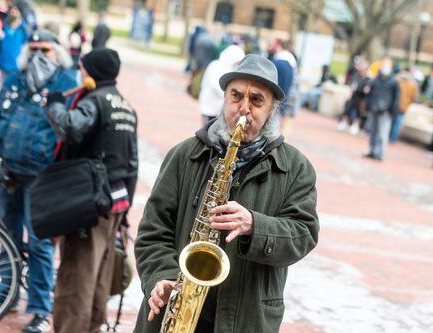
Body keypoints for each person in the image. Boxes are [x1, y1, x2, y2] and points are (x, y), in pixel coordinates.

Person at [134, 54, 319, 332]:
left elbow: (304, 234)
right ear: (224, 98)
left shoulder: (296, 168)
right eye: (236, 96)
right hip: (178, 310)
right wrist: (161, 276)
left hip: (246, 318)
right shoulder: (184, 155)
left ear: (272, 108)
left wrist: (255, 226)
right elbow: (153, 231)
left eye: (257, 100)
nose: (244, 108)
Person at [0, 29, 76, 333]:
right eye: (33, 50)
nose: (38, 56)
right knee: (8, 238)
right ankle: (6, 294)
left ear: (56, 51)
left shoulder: (66, 84)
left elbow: (71, 130)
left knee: (41, 243)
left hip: (42, 177)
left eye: (44, 50)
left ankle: (40, 310)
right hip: (8, 171)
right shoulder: (15, 80)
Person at [46, 47, 138, 333]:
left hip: (89, 203)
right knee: (98, 273)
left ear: (93, 72)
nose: (81, 72)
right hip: (114, 205)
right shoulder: (125, 106)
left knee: (76, 277)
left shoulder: (95, 100)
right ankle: (92, 328)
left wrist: (55, 104)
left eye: (84, 68)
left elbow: (71, 127)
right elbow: (132, 164)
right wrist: (125, 213)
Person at [198, 44, 245, 125]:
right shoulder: (216, 66)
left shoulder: (232, 69)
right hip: (209, 106)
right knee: (207, 132)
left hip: (221, 110)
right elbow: (217, 87)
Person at [364, 59, 400, 161]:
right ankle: (372, 151)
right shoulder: (376, 79)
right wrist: (368, 106)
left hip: (385, 111)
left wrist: (392, 111)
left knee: (382, 134)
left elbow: (396, 98)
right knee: (373, 132)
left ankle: (379, 153)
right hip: (374, 109)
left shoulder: (394, 82)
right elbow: (370, 93)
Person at [337, 62, 371, 135]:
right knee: (347, 110)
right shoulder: (356, 76)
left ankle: (355, 126)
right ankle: (343, 123)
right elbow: (351, 83)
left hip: (361, 98)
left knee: (358, 113)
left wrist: (359, 88)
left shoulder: (368, 79)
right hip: (353, 96)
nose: (362, 71)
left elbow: (366, 89)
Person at [0, 5, 29, 79]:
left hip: (15, 62)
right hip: (4, 60)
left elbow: (27, 38)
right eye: (12, 11)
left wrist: (21, 22)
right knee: (4, 84)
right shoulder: (5, 27)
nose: (14, 13)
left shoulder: (22, 29)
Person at [390, 67, 418, 142]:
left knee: (392, 122)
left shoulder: (398, 81)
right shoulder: (412, 85)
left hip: (395, 105)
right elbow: (413, 97)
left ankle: (390, 137)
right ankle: (392, 138)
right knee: (397, 123)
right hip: (403, 106)